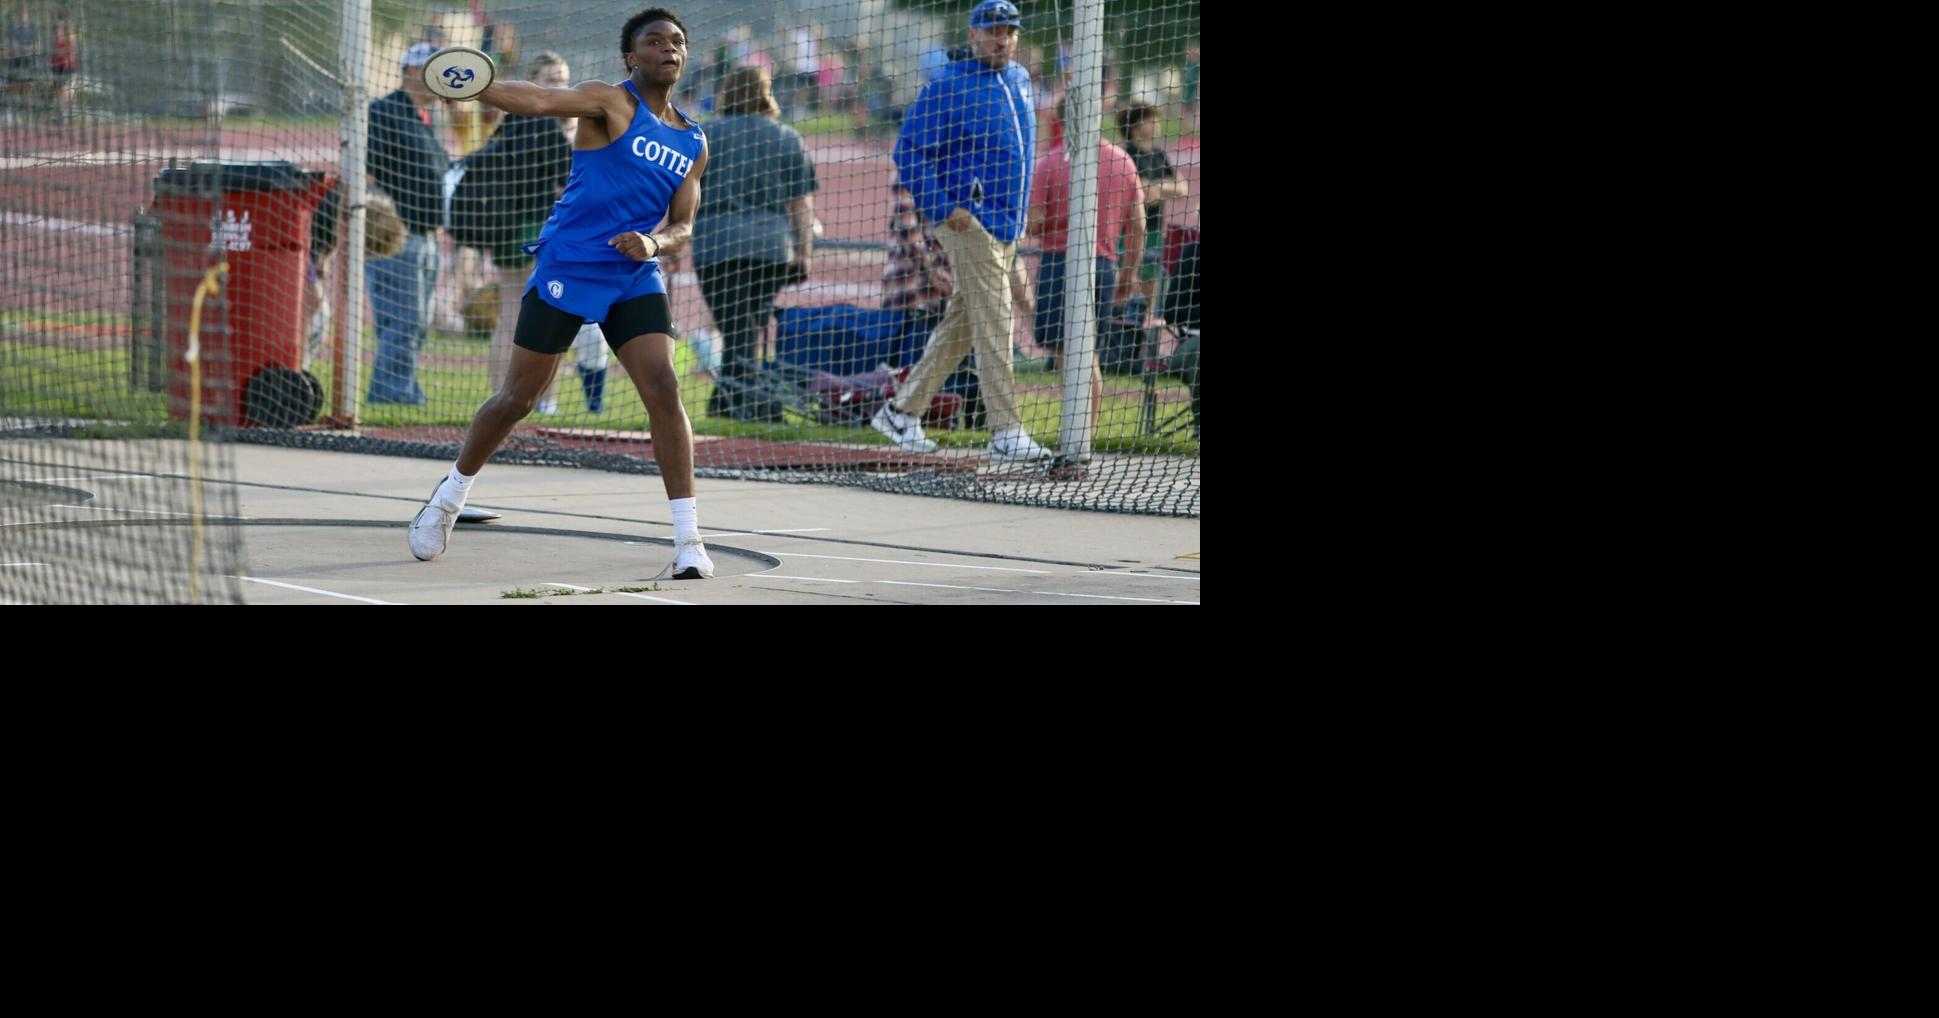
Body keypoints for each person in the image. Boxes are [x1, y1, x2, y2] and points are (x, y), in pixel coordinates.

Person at [407, 7, 716, 579]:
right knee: (518, 400)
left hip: (632, 273)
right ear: (632, 56)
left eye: (677, 41)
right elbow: (541, 101)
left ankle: (689, 539)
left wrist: (653, 244)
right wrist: (480, 85)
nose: (668, 48)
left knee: (664, 387)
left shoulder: (693, 140)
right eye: (654, 41)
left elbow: (685, 225)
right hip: (570, 265)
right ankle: (449, 496)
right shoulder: (609, 101)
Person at [873, 0, 1048, 461]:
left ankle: (901, 412)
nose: (1002, 39)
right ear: (973, 36)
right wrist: (943, 207)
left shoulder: (1020, 80)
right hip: (968, 221)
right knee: (997, 318)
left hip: (1008, 223)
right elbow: (908, 151)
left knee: (966, 323)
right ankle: (1005, 430)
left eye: (1009, 31)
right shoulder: (948, 85)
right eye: (992, 31)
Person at [691, 64, 816, 421]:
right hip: (772, 247)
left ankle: (754, 406)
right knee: (747, 327)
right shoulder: (787, 136)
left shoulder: (706, 134)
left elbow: (684, 192)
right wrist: (805, 253)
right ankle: (736, 405)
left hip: (717, 245)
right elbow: (801, 205)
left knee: (736, 328)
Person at [454, 50, 575, 409]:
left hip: (507, 228)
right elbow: (569, 179)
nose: (559, 86)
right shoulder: (543, 121)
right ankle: (543, 400)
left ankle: (503, 398)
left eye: (563, 79)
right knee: (549, 314)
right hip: (535, 228)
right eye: (551, 80)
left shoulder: (510, 120)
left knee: (512, 311)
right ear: (533, 81)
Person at [365, 42, 453, 405]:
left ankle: (403, 389)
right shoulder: (383, 111)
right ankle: (390, 394)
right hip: (395, 238)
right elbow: (367, 173)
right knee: (403, 319)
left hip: (427, 236)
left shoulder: (425, 118)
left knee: (416, 323)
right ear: (414, 72)